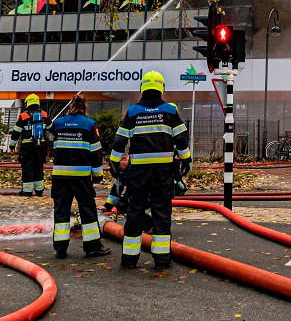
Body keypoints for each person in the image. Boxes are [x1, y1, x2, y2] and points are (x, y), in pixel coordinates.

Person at [108, 70, 191, 270]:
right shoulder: (170, 110)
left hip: (139, 173)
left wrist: (114, 163)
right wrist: (186, 160)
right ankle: (162, 260)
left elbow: (120, 141)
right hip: (163, 173)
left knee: (135, 211)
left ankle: (129, 259)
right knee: (161, 212)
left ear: (142, 88)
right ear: (161, 88)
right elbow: (180, 138)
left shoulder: (133, 111)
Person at [46, 95, 111, 259]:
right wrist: (97, 175)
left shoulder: (58, 124)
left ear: (70, 107)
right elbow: (96, 153)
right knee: (87, 211)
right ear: (85, 107)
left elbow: (48, 133)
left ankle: (60, 248)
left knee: (61, 212)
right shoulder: (89, 125)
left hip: (60, 177)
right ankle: (92, 247)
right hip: (81, 178)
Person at [11, 94, 49, 196]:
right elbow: (51, 128)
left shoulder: (23, 116)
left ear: (27, 103)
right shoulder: (44, 115)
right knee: (39, 167)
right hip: (40, 146)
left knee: (27, 167)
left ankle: (27, 191)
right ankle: (39, 190)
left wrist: (11, 146)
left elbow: (16, 132)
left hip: (27, 147)